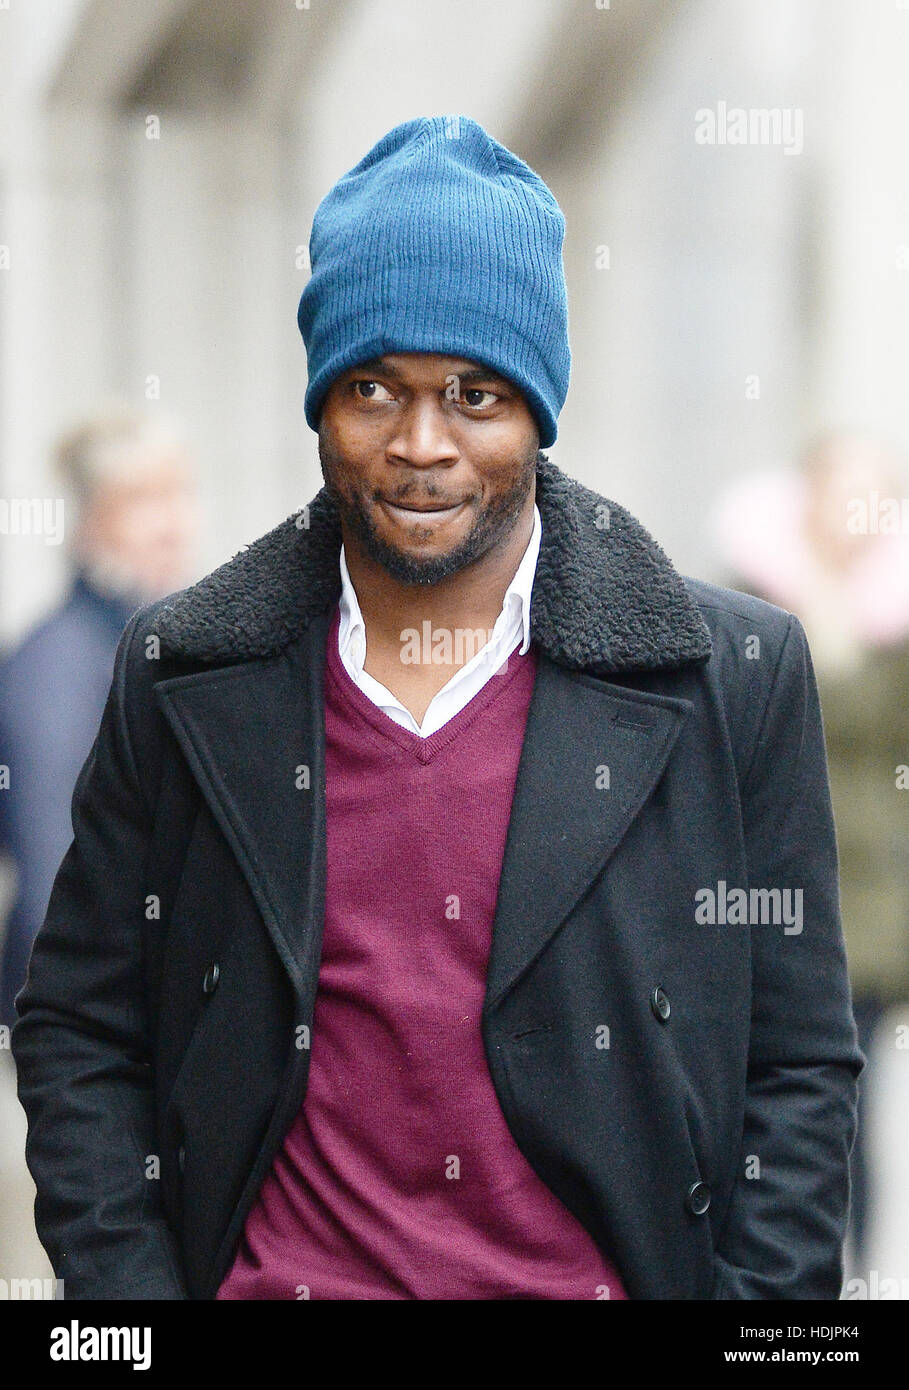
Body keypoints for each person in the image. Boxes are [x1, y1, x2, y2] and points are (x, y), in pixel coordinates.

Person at [12, 115, 862, 1301]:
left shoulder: (732, 673)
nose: (422, 444)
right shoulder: (185, 668)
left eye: (475, 393)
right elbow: (79, 1030)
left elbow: (800, 1063)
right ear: (321, 402)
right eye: (374, 388)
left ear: (538, 409)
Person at [710, 430, 909, 1274]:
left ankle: (839, 1281)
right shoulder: (749, 598)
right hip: (759, 881)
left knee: (838, 1097)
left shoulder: (893, 619)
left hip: (867, 899)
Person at [0, 406, 198, 1030]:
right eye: (143, 500)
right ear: (88, 520)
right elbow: (51, 886)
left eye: (178, 493)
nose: (172, 524)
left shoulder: (165, 651)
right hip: (93, 1035)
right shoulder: (57, 664)